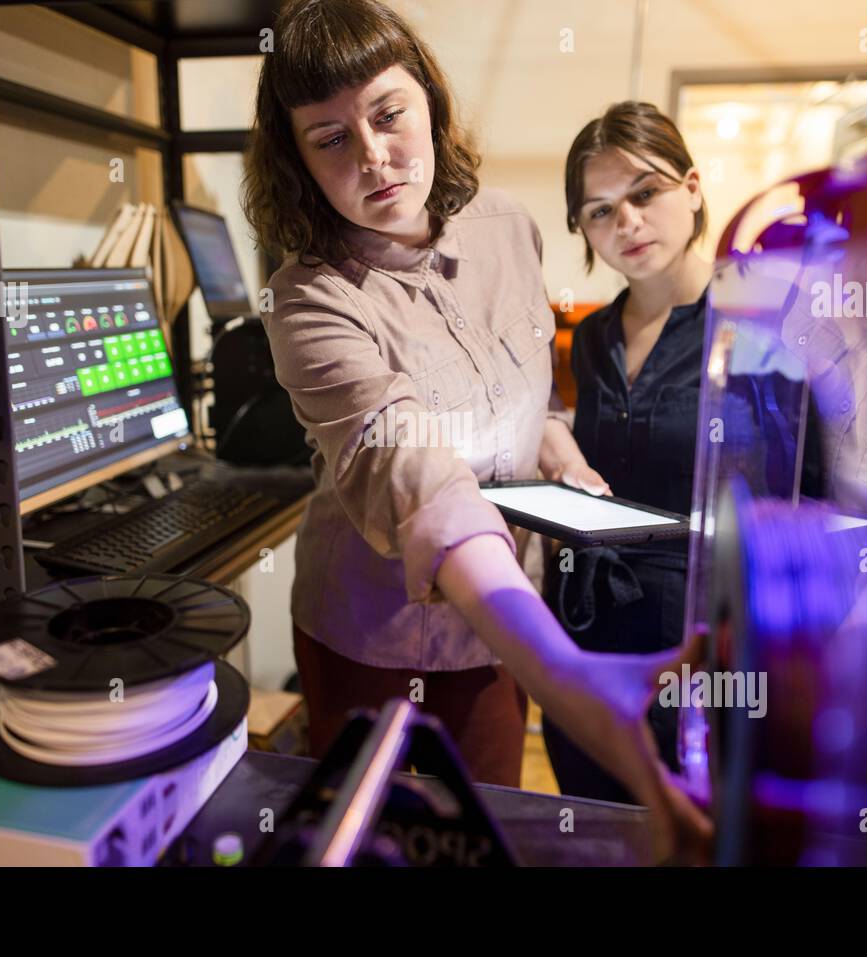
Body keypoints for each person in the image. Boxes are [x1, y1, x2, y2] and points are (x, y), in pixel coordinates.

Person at [242, 0, 706, 856]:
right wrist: (561, 672)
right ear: (298, 161)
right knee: (377, 837)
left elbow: (527, 396)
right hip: (369, 628)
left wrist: (555, 444)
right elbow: (409, 465)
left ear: (430, 102)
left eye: (388, 115)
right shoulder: (307, 298)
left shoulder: (509, 228)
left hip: (498, 626)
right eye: (330, 138)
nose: (375, 156)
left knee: (484, 826)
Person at [538, 101, 823, 802]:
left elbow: (811, 493)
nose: (626, 223)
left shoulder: (760, 326)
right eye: (599, 211)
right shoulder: (596, 335)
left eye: (644, 193)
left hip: (700, 651)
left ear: (692, 188)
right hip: (588, 640)